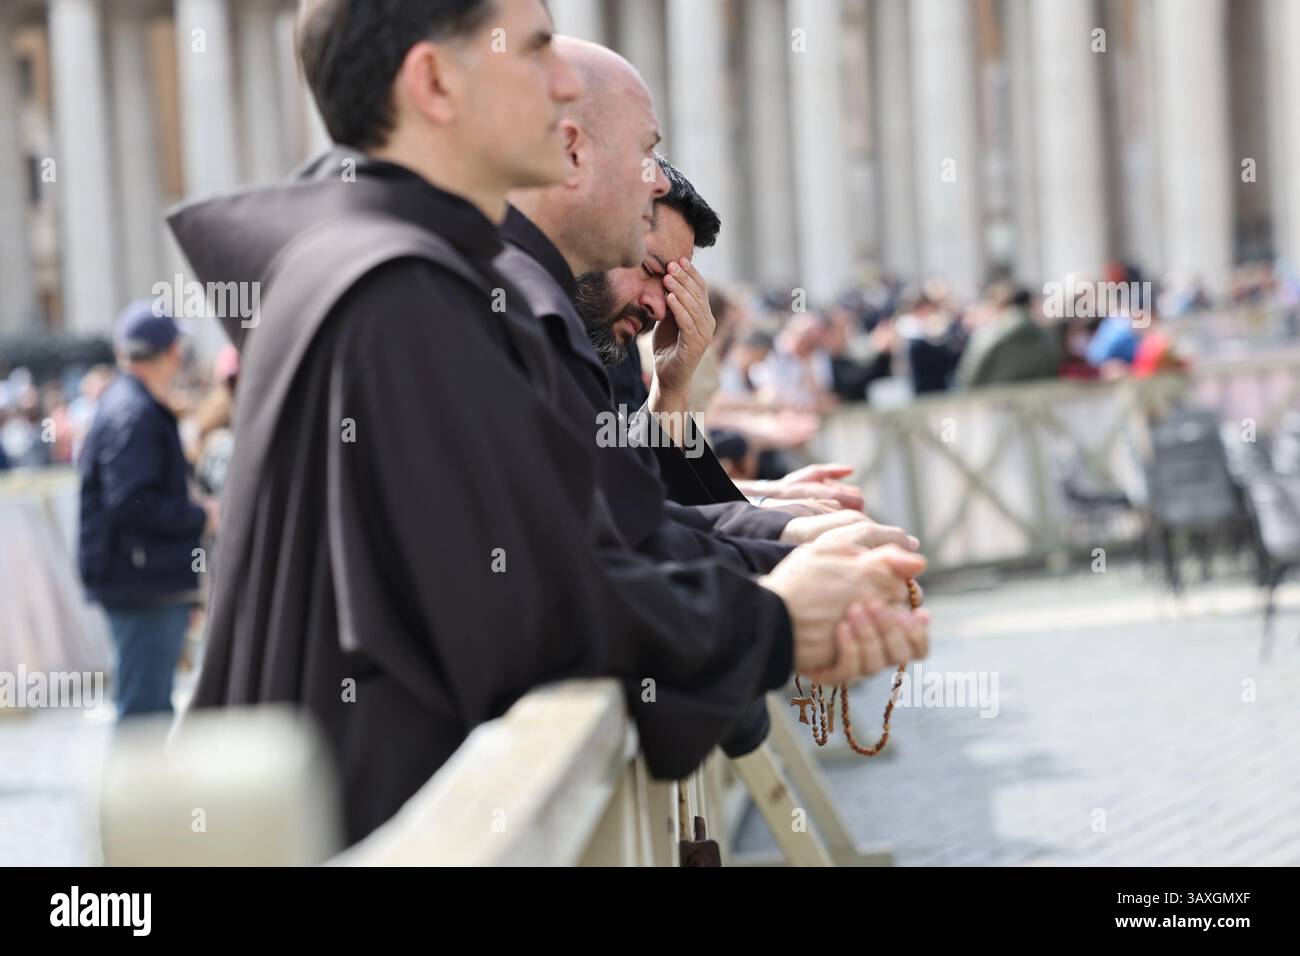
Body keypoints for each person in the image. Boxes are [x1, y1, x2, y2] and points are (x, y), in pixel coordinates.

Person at [170, 0, 926, 846]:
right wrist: (776, 618)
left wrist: (776, 563)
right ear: (434, 83)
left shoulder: (384, 267)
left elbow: (584, 538)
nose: (562, 80)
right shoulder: (397, 290)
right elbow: (525, 606)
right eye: (534, 52)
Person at [78, 300, 218, 719]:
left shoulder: (129, 403)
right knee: (144, 716)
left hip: (140, 578)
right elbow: (131, 504)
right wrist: (201, 516)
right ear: (168, 351)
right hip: (141, 583)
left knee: (148, 709)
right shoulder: (135, 411)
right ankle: (133, 789)